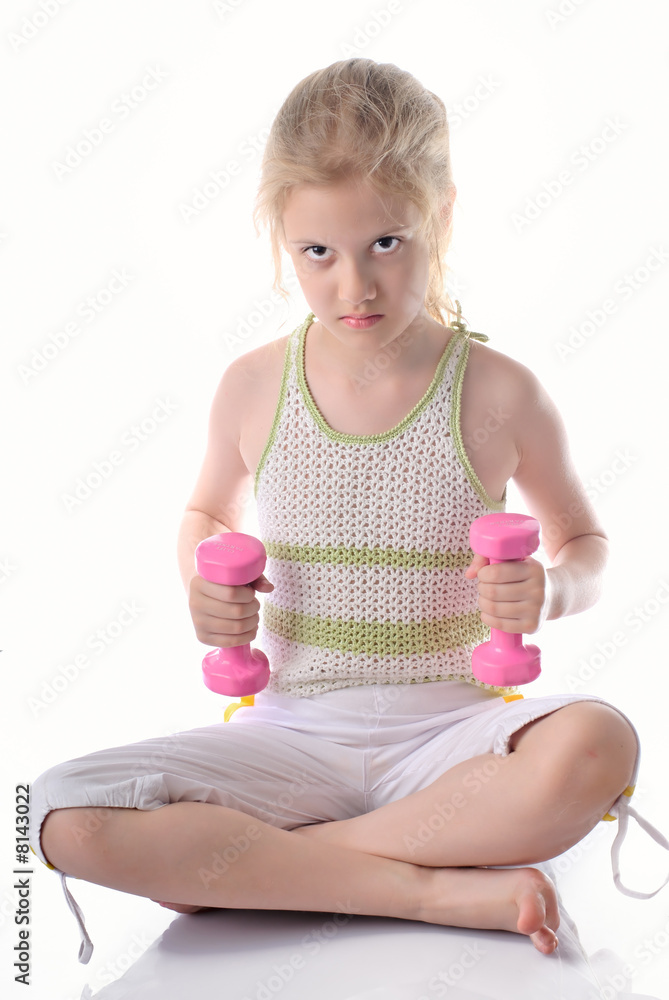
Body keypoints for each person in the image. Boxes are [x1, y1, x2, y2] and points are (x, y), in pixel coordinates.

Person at [29, 58, 667, 966]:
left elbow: (586, 543)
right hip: (291, 736)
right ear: (280, 238)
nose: (352, 288)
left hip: (452, 737)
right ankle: (425, 889)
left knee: (599, 742)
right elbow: (207, 515)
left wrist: (553, 589)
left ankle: (260, 871)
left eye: (387, 244)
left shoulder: (498, 390)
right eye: (316, 254)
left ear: (441, 214)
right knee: (56, 812)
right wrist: (200, 581)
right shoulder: (253, 387)